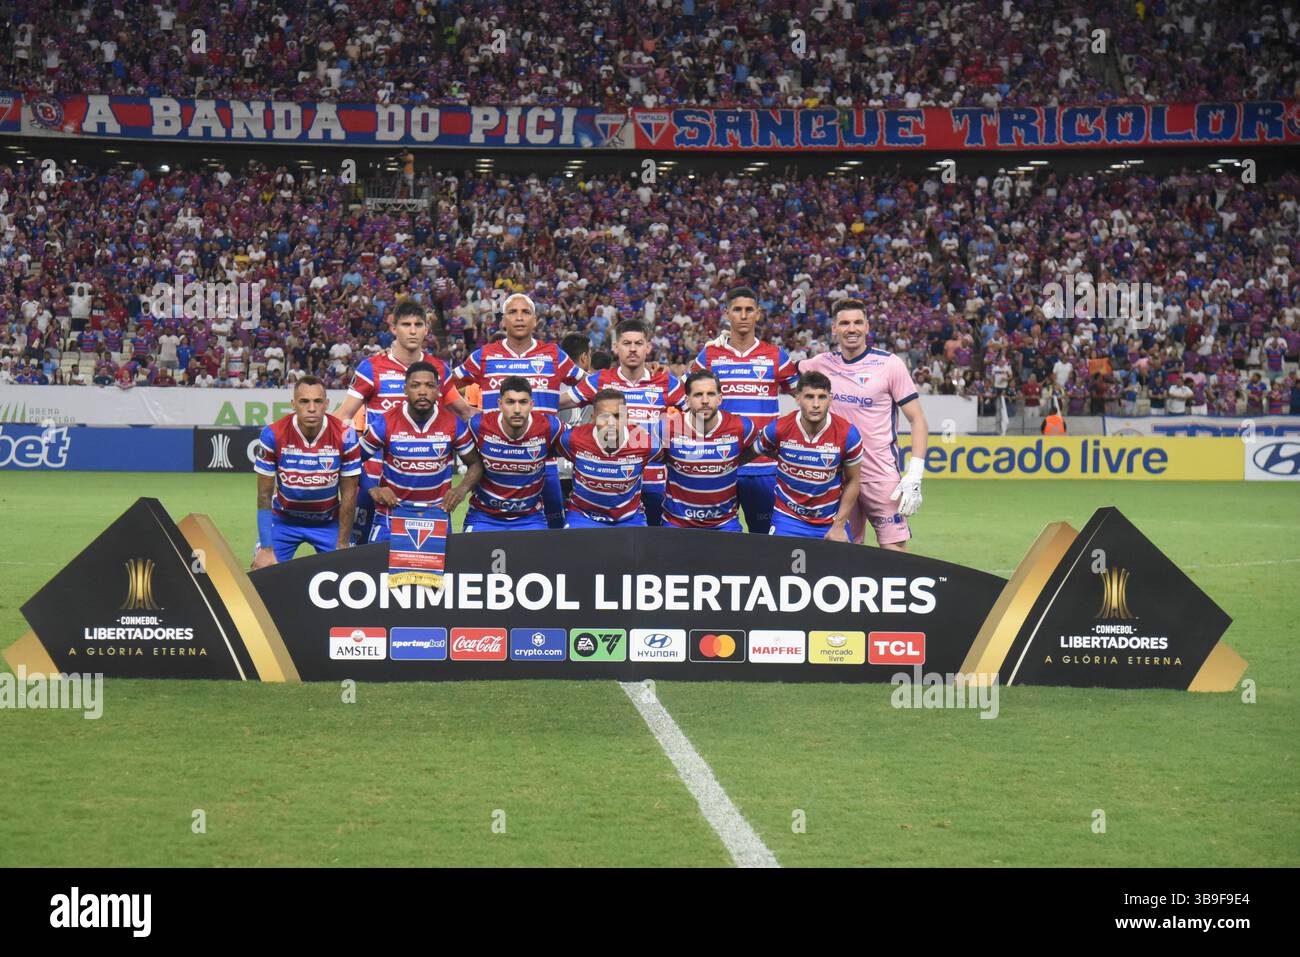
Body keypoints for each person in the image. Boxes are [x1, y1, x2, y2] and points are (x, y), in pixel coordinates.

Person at [336, 298, 473, 544]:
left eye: (418, 324)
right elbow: (343, 416)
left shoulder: (439, 370)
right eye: (406, 324)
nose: (412, 330)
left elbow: (463, 411)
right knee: (361, 551)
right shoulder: (372, 368)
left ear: (426, 330)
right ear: (393, 328)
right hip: (374, 478)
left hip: (423, 481)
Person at [799, 298, 928, 552]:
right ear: (834, 328)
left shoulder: (889, 364)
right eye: (844, 323)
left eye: (858, 322)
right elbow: (777, 371)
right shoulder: (820, 364)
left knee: (894, 550)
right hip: (837, 476)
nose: (852, 328)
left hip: (880, 475)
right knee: (843, 551)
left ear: (868, 327)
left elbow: (918, 420)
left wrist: (915, 473)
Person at [451, 292, 585, 529]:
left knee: (553, 536)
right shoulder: (485, 355)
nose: (520, 318)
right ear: (503, 321)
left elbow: (589, 386)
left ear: (535, 320)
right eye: (512, 312)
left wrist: (558, 401)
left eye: (526, 312)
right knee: (491, 524)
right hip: (495, 461)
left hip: (544, 462)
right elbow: (446, 386)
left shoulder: (553, 355)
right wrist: (466, 411)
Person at [690, 287, 800, 533]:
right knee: (715, 538)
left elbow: (802, 396)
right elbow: (685, 398)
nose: (743, 315)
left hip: (763, 466)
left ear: (758, 314)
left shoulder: (775, 355)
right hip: (719, 464)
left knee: (766, 540)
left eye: (749, 310)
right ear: (727, 313)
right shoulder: (709, 355)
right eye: (737, 310)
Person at [562, 319, 685, 526]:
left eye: (638, 343)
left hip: (655, 483)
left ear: (648, 347)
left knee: (648, 551)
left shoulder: (666, 382)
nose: (633, 349)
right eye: (627, 343)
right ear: (615, 346)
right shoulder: (600, 381)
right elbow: (557, 403)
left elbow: (698, 415)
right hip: (611, 484)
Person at [357, 362, 484, 543]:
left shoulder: (453, 424)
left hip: (437, 514)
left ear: (438, 390)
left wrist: (461, 490)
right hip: (392, 516)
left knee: (440, 572)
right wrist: (373, 489)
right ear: (405, 389)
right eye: (415, 385)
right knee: (381, 570)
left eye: (429, 386)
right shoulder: (385, 422)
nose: (423, 392)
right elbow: (351, 459)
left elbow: (476, 463)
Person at [251, 376, 360, 567]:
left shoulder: (346, 436)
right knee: (263, 567)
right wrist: (266, 548)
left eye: (317, 401)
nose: (311, 408)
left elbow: (349, 496)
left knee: (347, 569)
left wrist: (342, 545)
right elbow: (264, 496)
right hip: (284, 520)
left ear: (326, 404)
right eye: (304, 401)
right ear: (293, 404)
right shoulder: (273, 434)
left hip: (328, 522)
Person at [756, 371, 863, 540]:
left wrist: (839, 525)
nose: (815, 404)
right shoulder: (779, 428)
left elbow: (853, 480)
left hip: (830, 521)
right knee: (778, 566)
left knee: (842, 567)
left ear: (830, 398)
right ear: (798, 398)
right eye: (809, 397)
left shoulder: (848, 434)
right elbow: (752, 451)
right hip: (788, 519)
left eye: (821, 397)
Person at [661, 370, 759, 532]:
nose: (705, 401)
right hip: (677, 523)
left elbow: (762, 448)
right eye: (698, 395)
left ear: (720, 399)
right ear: (687, 400)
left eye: (711, 394)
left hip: (724, 524)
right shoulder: (666, 429)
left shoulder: (742, 427)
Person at [463, 376, 564, 532]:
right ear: (500, 404)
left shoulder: (549, 427)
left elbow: (583, 444)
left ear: (532, 404)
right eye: (510, 402)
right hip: (483, 516)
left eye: (523, 402)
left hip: (530, 518)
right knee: (470, 556)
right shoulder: (478, 426)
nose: (517, 409)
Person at [555, 389, 661, 527]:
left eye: (617, 416)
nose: (611, 423)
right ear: (593, 418)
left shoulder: (647, 444)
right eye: (604, 417)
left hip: (629, 519)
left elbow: (671, 461)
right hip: (583, 516)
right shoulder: (572, 439)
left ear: (627, 418)